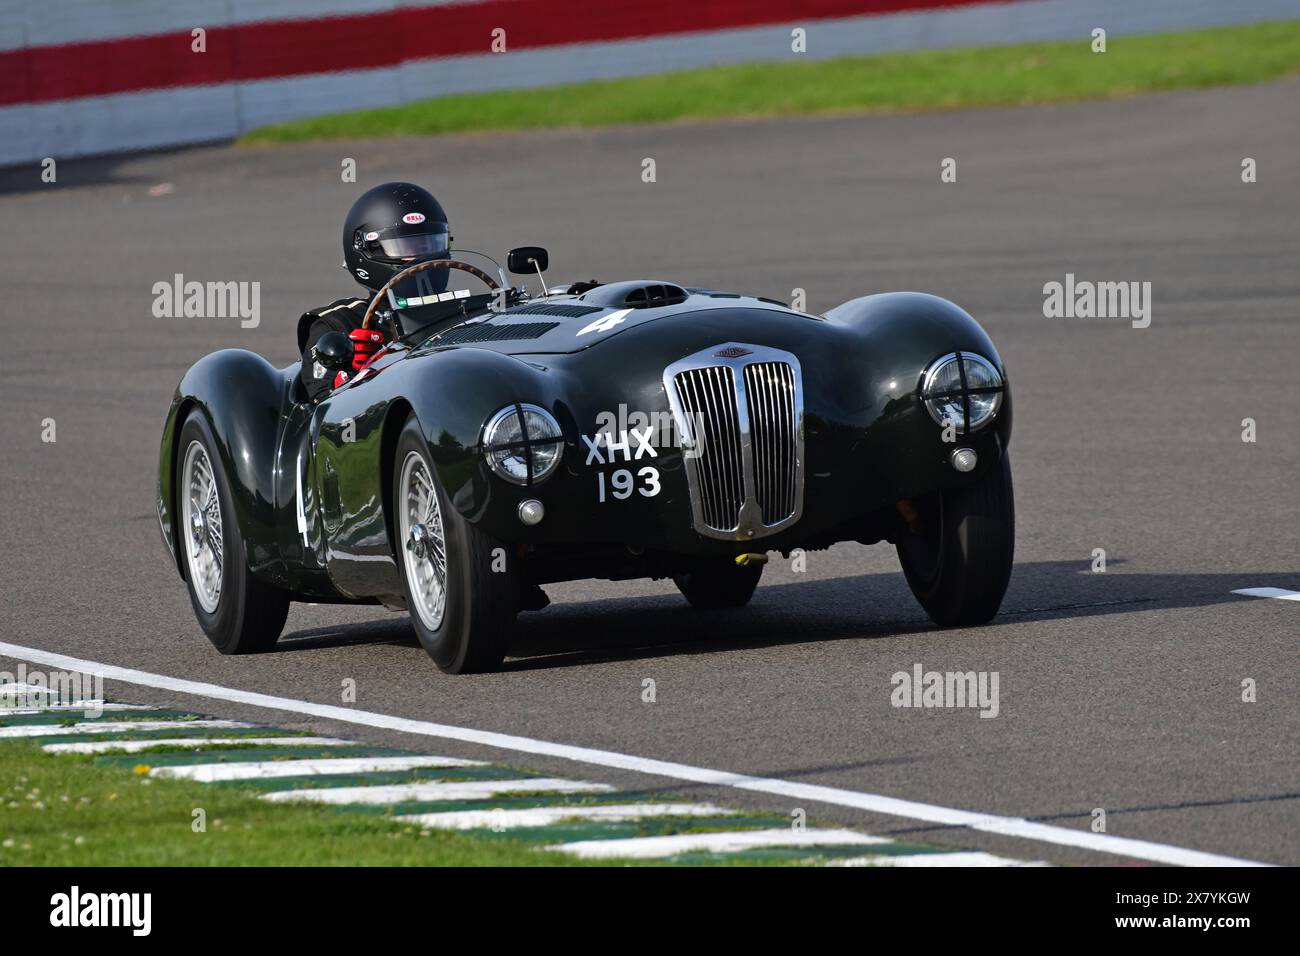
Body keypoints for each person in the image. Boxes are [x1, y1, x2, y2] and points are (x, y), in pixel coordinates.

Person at [298, 182, 452, 401]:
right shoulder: (340, 324)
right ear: (366, 249)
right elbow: (321, 405)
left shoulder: (467, 312)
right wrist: (352, 374)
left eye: (429, 244)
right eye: (405, 247)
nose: (421, 259)